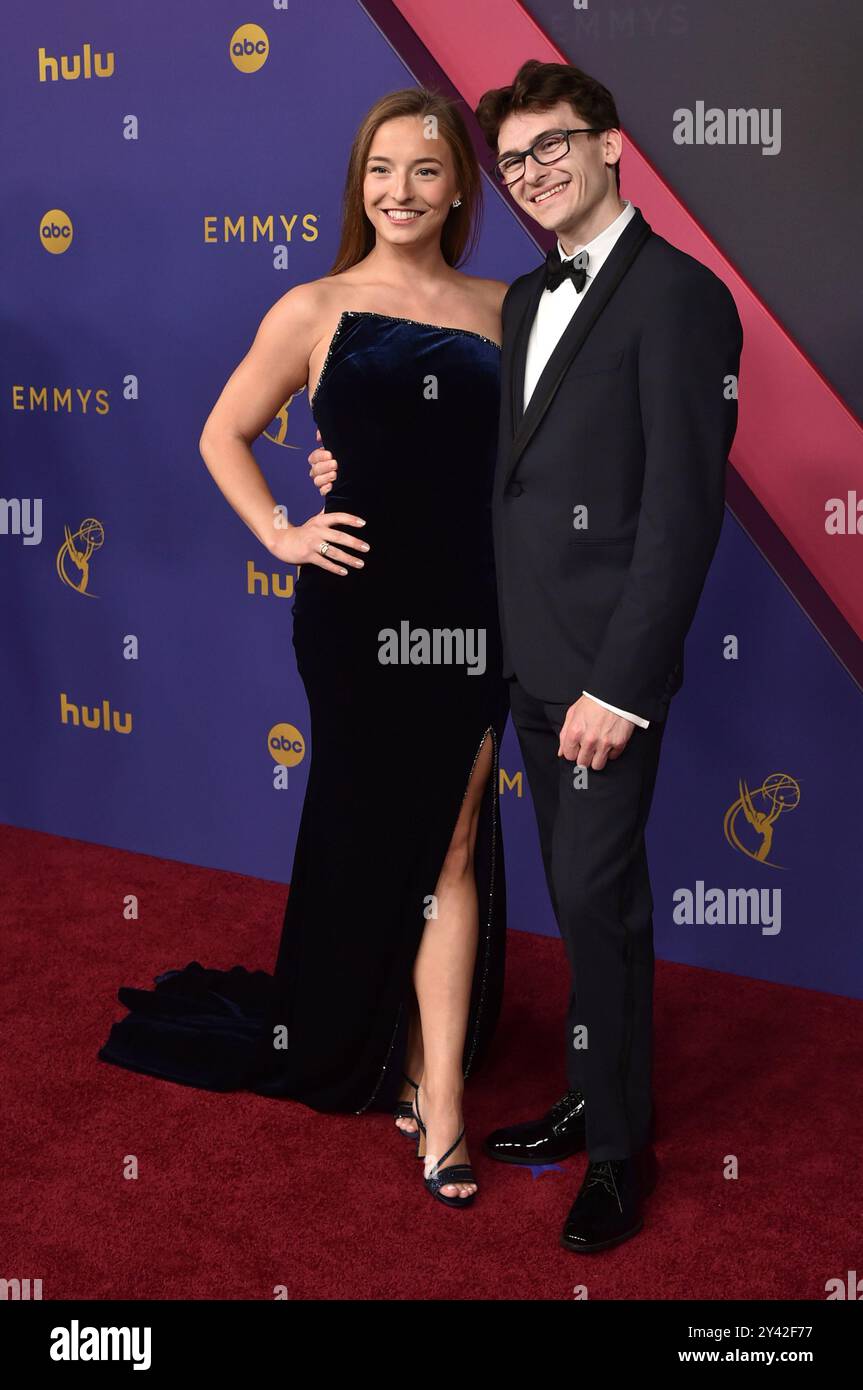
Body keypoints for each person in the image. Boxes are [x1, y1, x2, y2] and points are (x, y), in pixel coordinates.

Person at [309, 59, 743, 1250]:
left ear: (611, 148)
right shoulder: (522, 299)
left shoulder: (680, 299)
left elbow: (681, 514)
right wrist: (350, 465)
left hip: (601, 679)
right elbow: (482, 472)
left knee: (600, 901)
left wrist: (622, 684)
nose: (535, 171)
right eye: (515, 160)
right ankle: (586, 1092)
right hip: (515, 660)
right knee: (569, 896)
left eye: (556, 146)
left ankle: (619, 1153)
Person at [98, 88, 511, 1209]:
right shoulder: (314, 305)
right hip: (357, 615)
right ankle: (365, 1028)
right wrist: (283, 528)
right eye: (380, 170)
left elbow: (528, 467)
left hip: (474, 612)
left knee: (456, 843)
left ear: (460, 185)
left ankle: (442, 1102)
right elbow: (221, 432)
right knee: (376, 828)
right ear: (357, 183)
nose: (400, 191)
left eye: (424, 170)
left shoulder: (505, 309)